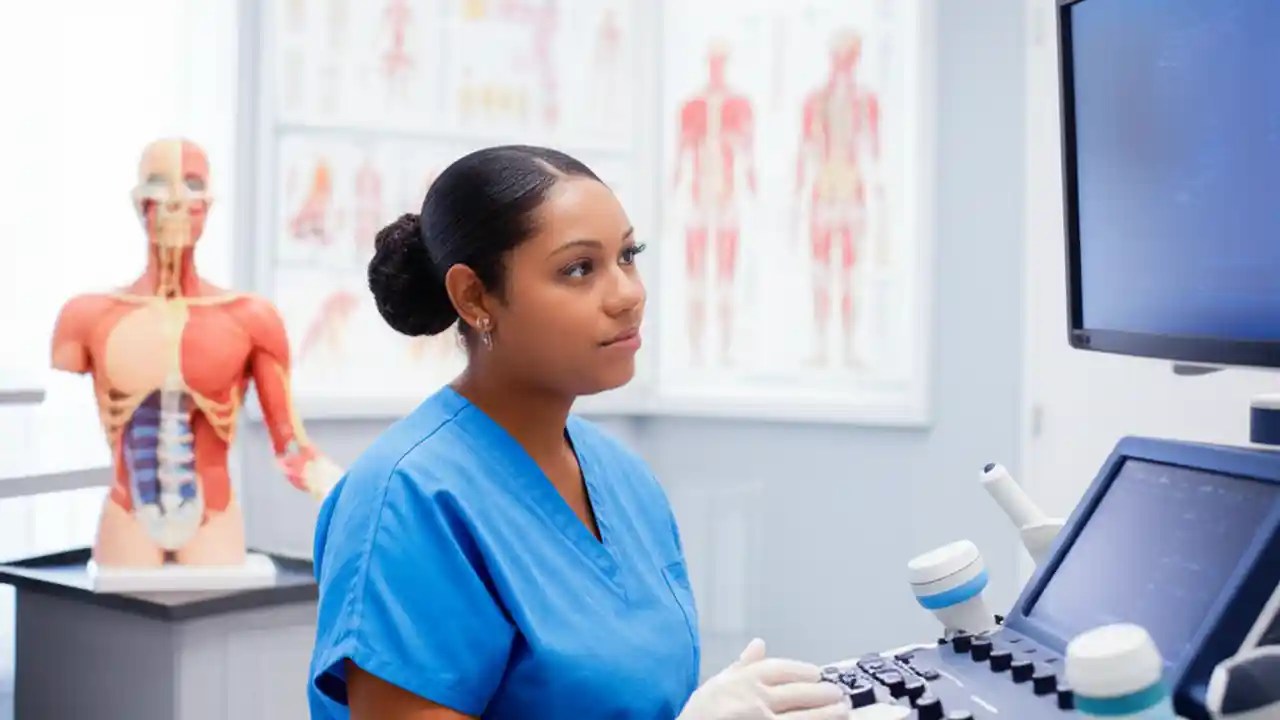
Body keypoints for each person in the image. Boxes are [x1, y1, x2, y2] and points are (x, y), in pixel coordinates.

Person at [307, 145, 848, 719]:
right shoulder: (406, 501)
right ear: (475, 297)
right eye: (579, 270)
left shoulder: (623, 478)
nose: (629, 295)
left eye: (628, 256)